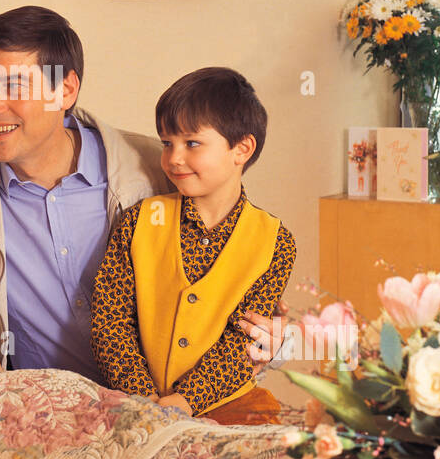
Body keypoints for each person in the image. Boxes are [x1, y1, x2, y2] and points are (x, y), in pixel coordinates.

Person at [0, 7, 285, 381]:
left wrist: (274, 336)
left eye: (13, 85)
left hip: (171, 405)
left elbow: (234, 265)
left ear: (65, 90)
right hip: (43, 416)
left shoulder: (158, 169)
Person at [90, 67, 295, 423]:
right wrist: (147, 401)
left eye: (191, 143)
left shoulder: (276, 242)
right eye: (167, 143)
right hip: (137, 400)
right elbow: (110, 323)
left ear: (242, 149)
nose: (174, 158)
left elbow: (243, 341)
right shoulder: (137, 222)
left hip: (231, 403)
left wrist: (185, 402)